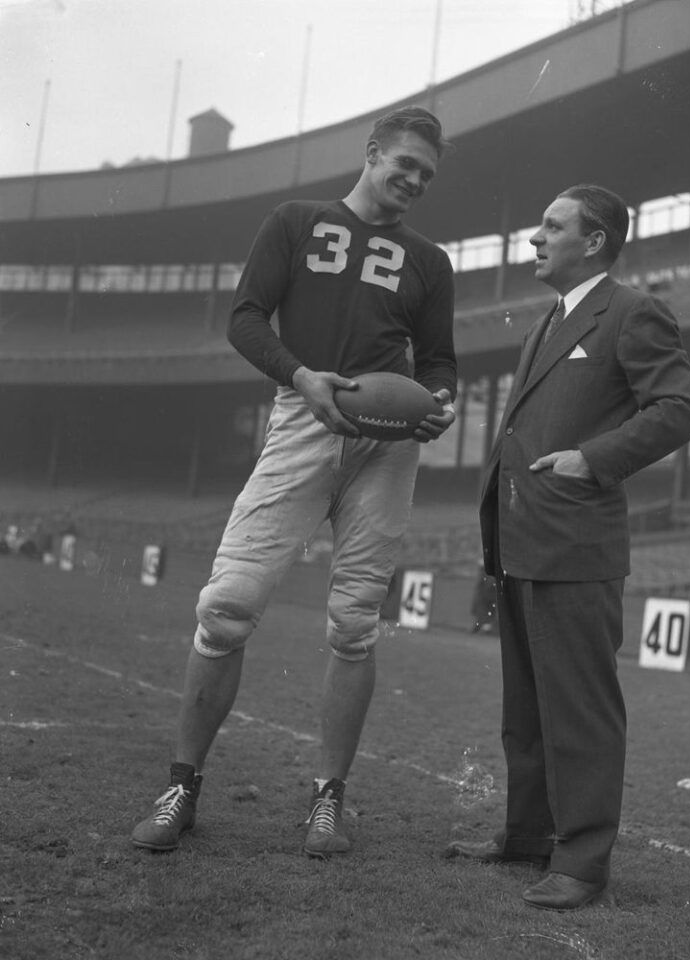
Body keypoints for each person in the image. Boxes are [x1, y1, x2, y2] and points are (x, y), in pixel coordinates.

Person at [132, 106, 457, 858]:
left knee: (353, 624)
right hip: (305, 416)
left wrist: (435, 404)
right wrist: (302, 376)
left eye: (426, 174)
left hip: (387, 443)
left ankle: (329, 800)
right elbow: (246, 319)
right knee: (227, 605)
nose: (414, 180)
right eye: (404, 163)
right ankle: (182, 783)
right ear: (373, 153)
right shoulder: (297, 219)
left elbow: (437, 360)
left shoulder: (430, 262)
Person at [445, 184, 690, 909]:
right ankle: (528, 837)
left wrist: (594, 458)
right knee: (525, 708)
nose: (534, 238)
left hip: (576, 542)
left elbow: (681, 408)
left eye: (551, 227)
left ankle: (582, 863)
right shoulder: (548, 321)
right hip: (523, 540)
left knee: (580, 712)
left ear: (593, 241)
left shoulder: (631, 311)